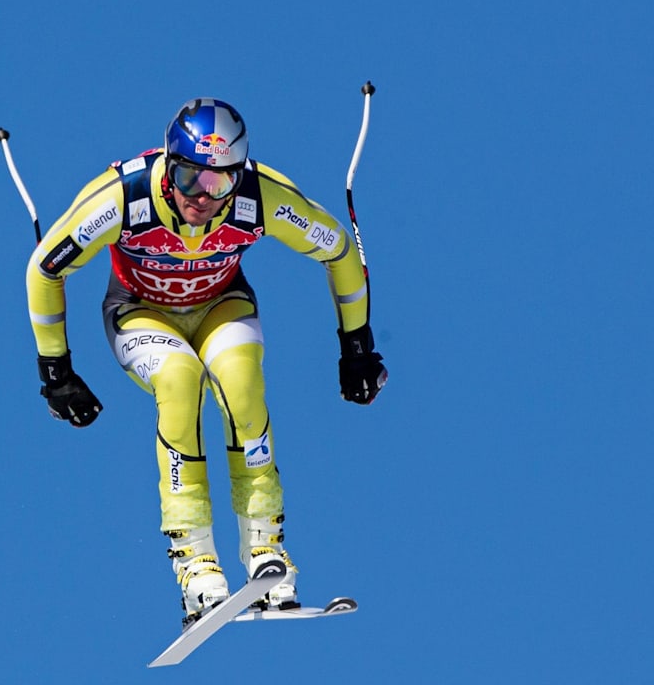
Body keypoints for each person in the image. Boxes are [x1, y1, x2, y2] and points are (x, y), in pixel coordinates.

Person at [24, 97, 386, 627]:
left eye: (219, 183)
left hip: (220, 302)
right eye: (189, 178)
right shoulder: (125, 197)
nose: (201, 197)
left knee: (241, 381)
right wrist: (55, 371)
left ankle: (266, 546)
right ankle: (194, 562)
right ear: (168, 165)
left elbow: (339, 251)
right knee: (179, 379)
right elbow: (44, 268)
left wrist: (357, 346)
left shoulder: (259, 198)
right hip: (139, 310)